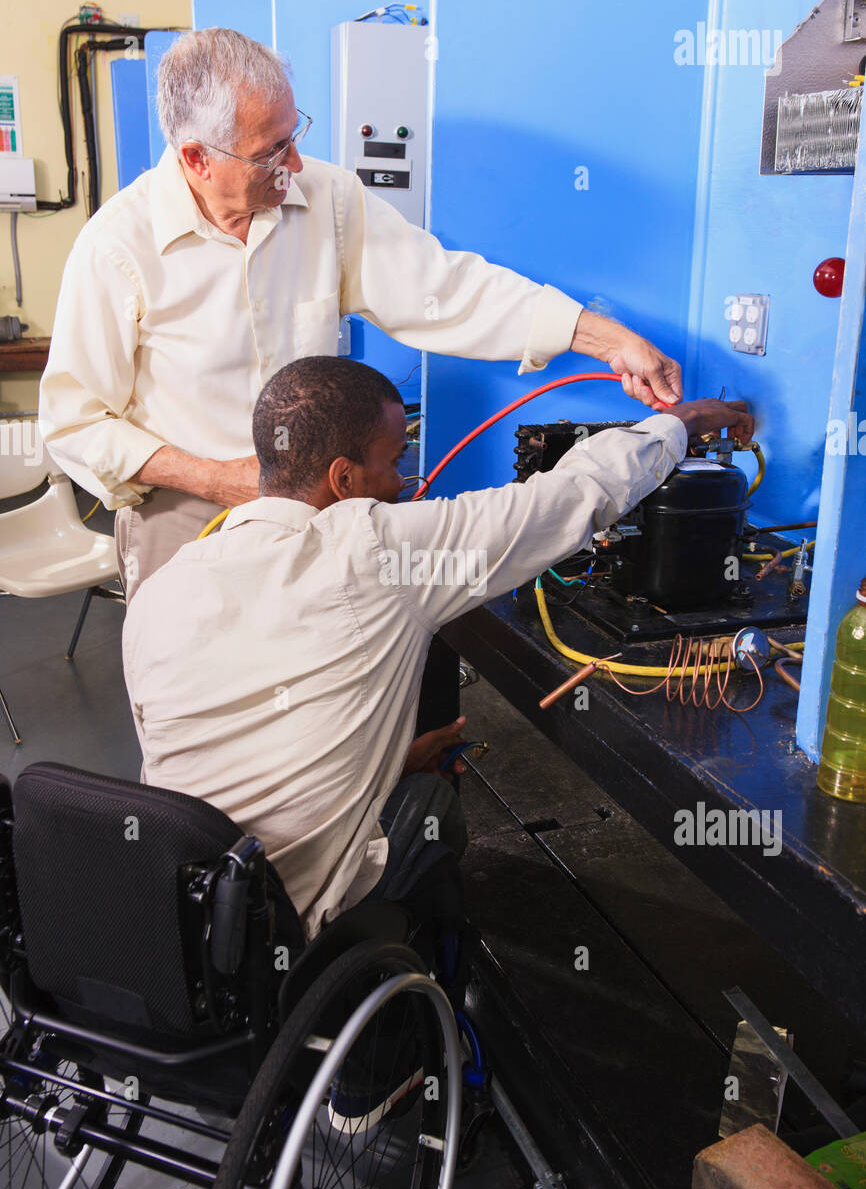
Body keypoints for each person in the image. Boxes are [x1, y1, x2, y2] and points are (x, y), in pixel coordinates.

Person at [40, 26, 684, 604]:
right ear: (196, 158)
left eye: (295, 136)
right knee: (198, 689)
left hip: (316, 511)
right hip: (185, 517)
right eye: (270, 151)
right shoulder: (116, 248)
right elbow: (75, 423)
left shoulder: (327, 199)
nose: (294, 165)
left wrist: (602, 338)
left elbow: (445, 289)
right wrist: (217, 479)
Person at [122, 355, 754, 940]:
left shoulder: (163, 586)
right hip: (278, 936)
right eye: (394, 460)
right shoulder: (373, 550)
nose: (402, 481)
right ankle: (434, 977)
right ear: (343, 478)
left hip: (166, 916)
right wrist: (682, 423)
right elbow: (567, 498)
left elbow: (222, 747)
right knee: (429, 804)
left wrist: (385, 763)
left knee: (407, 780)